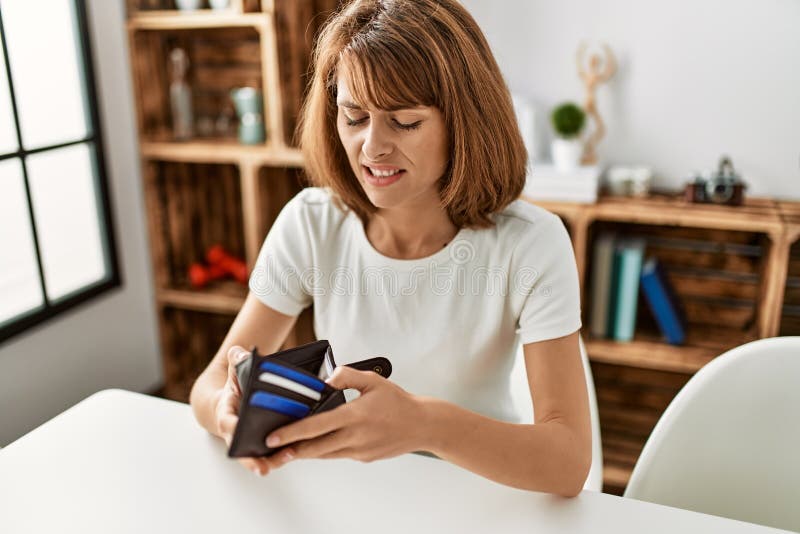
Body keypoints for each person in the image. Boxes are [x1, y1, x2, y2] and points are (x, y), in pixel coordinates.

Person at [190, 0, 591, 497]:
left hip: (481, 499)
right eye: (354, 117)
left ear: (463, 122)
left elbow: (569, 461)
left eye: (404, 122)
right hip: (356, 498)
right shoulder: (313, 224)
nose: (372, 147)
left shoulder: (531, 242)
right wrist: (227, 414)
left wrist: (426, 425)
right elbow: (209, 384)